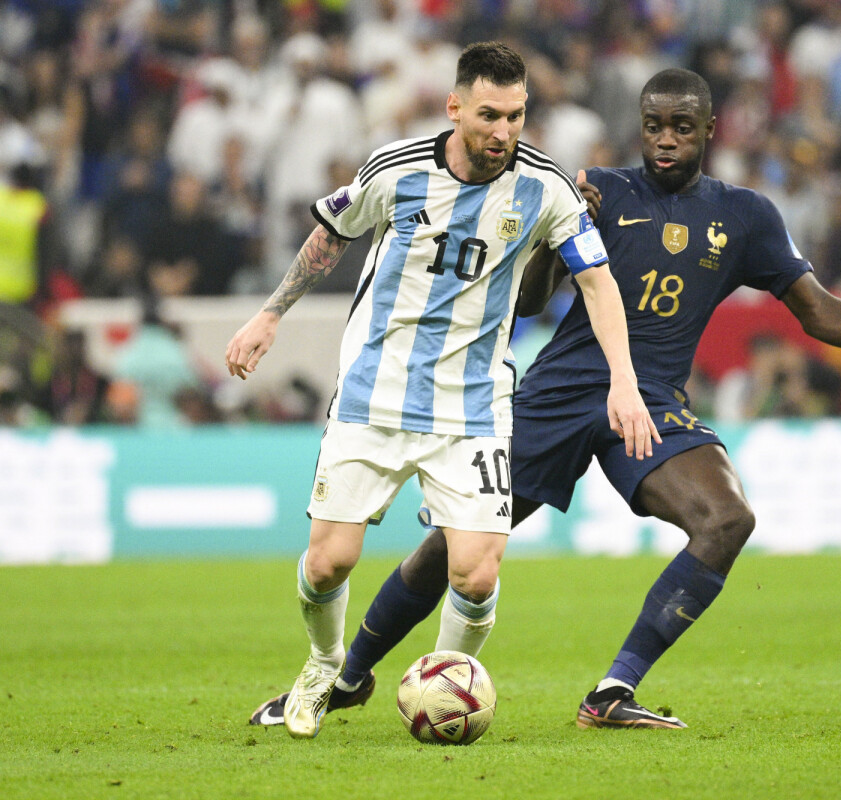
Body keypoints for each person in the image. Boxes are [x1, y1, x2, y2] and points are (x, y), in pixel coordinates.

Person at [248, 66, 841, 732]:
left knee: (727, 519)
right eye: (653, 126)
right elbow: (526, 304)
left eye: (681, 126)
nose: (666, 139)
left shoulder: (744, 215)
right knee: (452, 556)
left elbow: (813, 306)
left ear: (710, 130)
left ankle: (615, 688)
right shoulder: (596, 192)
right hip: (557, 393)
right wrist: (552, 246)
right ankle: (348, 678)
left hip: (647, 403)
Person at [227, 41, 657, 740]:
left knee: (478, 573)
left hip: (474, 407)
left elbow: (598, 284)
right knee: (327, 560)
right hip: (374, 394)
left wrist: (625, 383)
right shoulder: (394, 170)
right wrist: (271, 313)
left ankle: (446, 683)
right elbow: (330, 236)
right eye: (489, 115)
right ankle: (324, 662)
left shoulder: (544, 187)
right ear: (454, 106)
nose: (504, 132)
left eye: (517, 116)